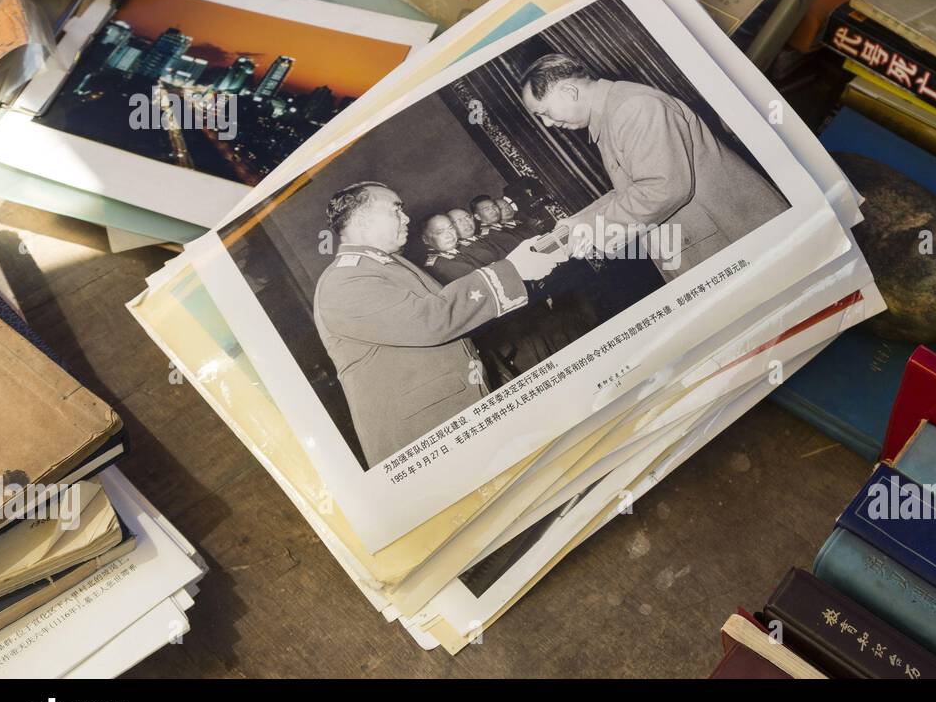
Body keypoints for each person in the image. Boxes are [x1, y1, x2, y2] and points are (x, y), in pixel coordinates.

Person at [313, 181, 565, 469]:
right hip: (428, 437)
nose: (406, 218)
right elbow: (429, 321)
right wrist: (512, 271)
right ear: (361, 219)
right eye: (396, 210)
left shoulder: (386, 265)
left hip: (457, 417)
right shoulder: (344, 280)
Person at [519, 53, 789, 279]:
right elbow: (633, 189)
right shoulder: (613, 112)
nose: (548, 124)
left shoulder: (633, 107)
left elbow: (663, 188)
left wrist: (594, 228)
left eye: (544, 113)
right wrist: (578, 222)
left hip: (734, 242)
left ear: (568, 91)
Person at [421, 212, 476, 283]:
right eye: (440, 232)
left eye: (451, 228)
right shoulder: (440, 266)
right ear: (426, 239)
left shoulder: (460, 251)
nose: (449, 235)